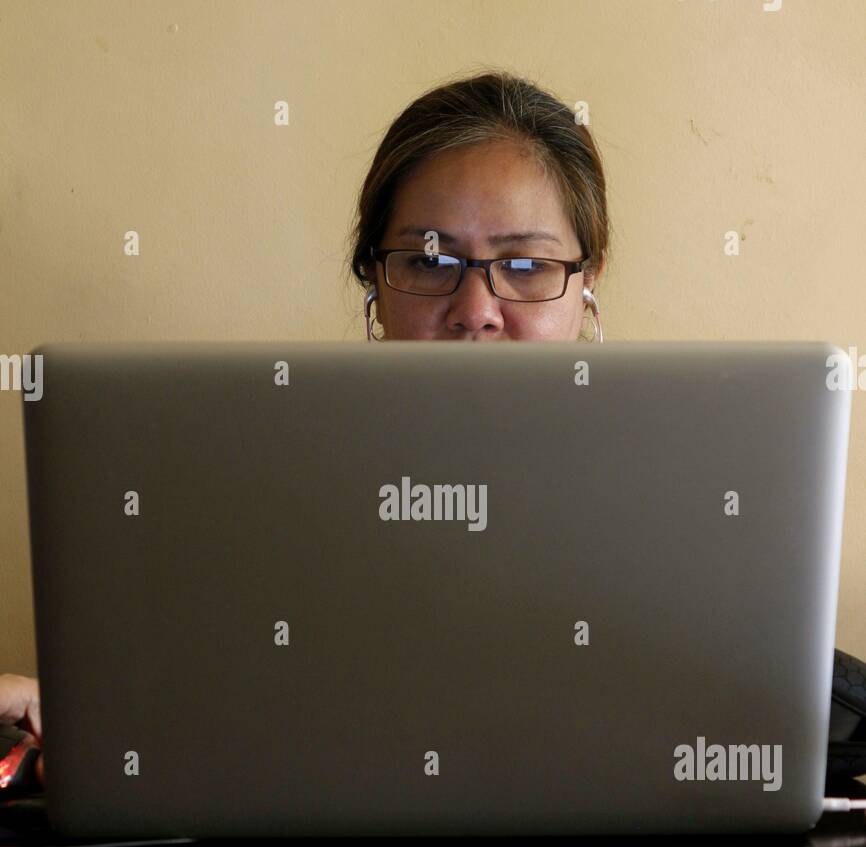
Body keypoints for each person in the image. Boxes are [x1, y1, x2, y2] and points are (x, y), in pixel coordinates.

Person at [0, 69, 610, 784]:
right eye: (430, 260)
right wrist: (70, 717)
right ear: (376, 286)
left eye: (527, 265)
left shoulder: (672, 504)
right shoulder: (253, 496)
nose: (476, 307)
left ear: (588, 280)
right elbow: (195, 728)